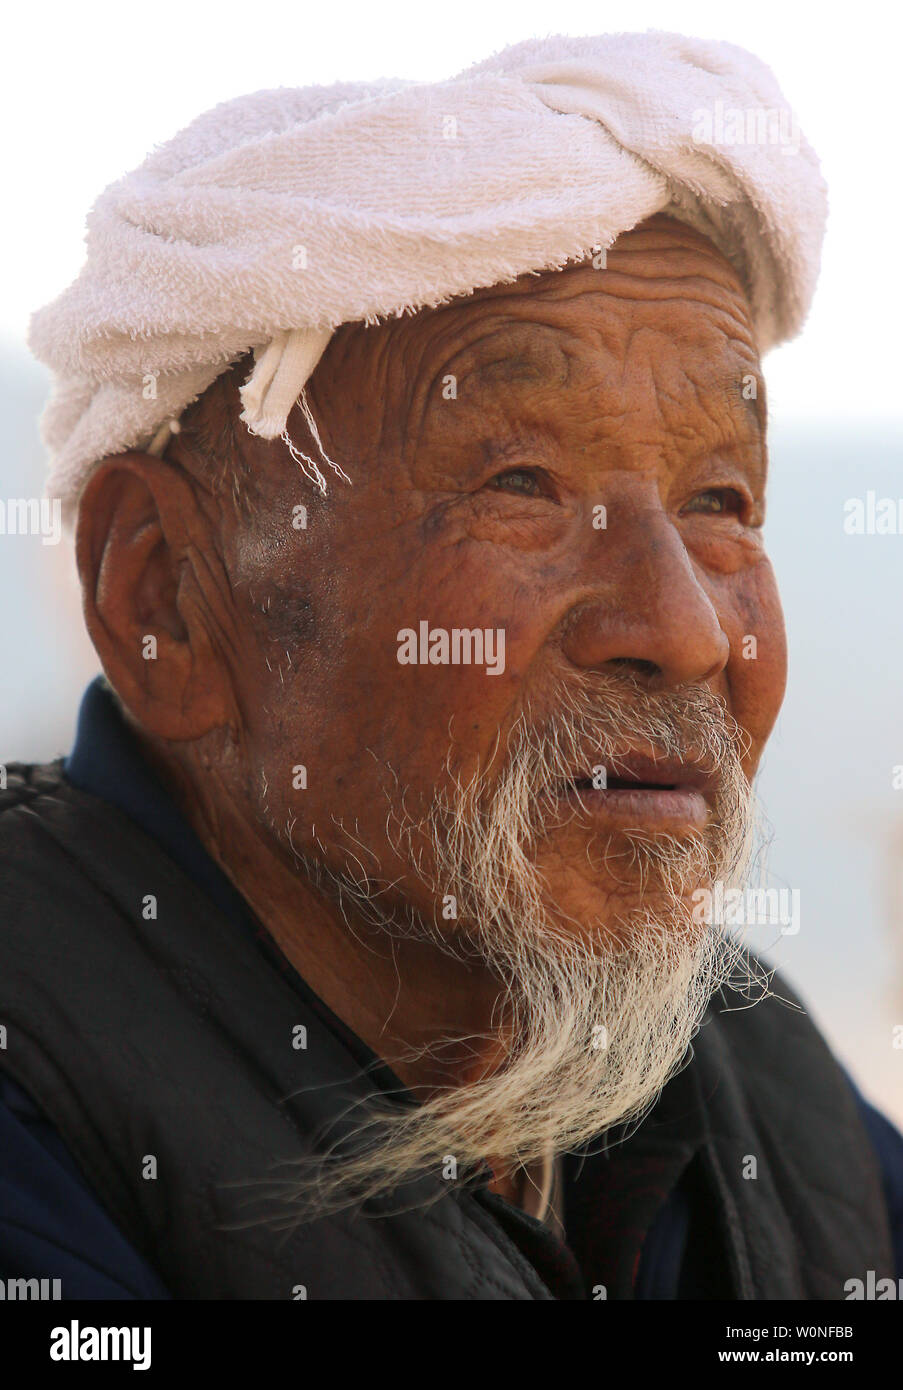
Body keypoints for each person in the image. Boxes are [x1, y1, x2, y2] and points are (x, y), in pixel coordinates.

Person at [2, 31, 900, 1300]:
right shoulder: (40, 1105)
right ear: (165, 596)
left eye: (721, 497)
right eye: (520, 483)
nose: (687, 628)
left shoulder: (763, 1086)